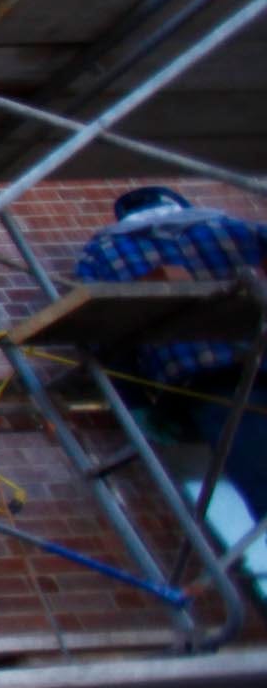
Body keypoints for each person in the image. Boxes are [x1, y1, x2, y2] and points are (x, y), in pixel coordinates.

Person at [72, 185, 267, 523]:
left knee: (259, 474)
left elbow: (102, 333)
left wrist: (136, 402)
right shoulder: (238, 229)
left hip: (205, 381)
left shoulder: (103, 251)